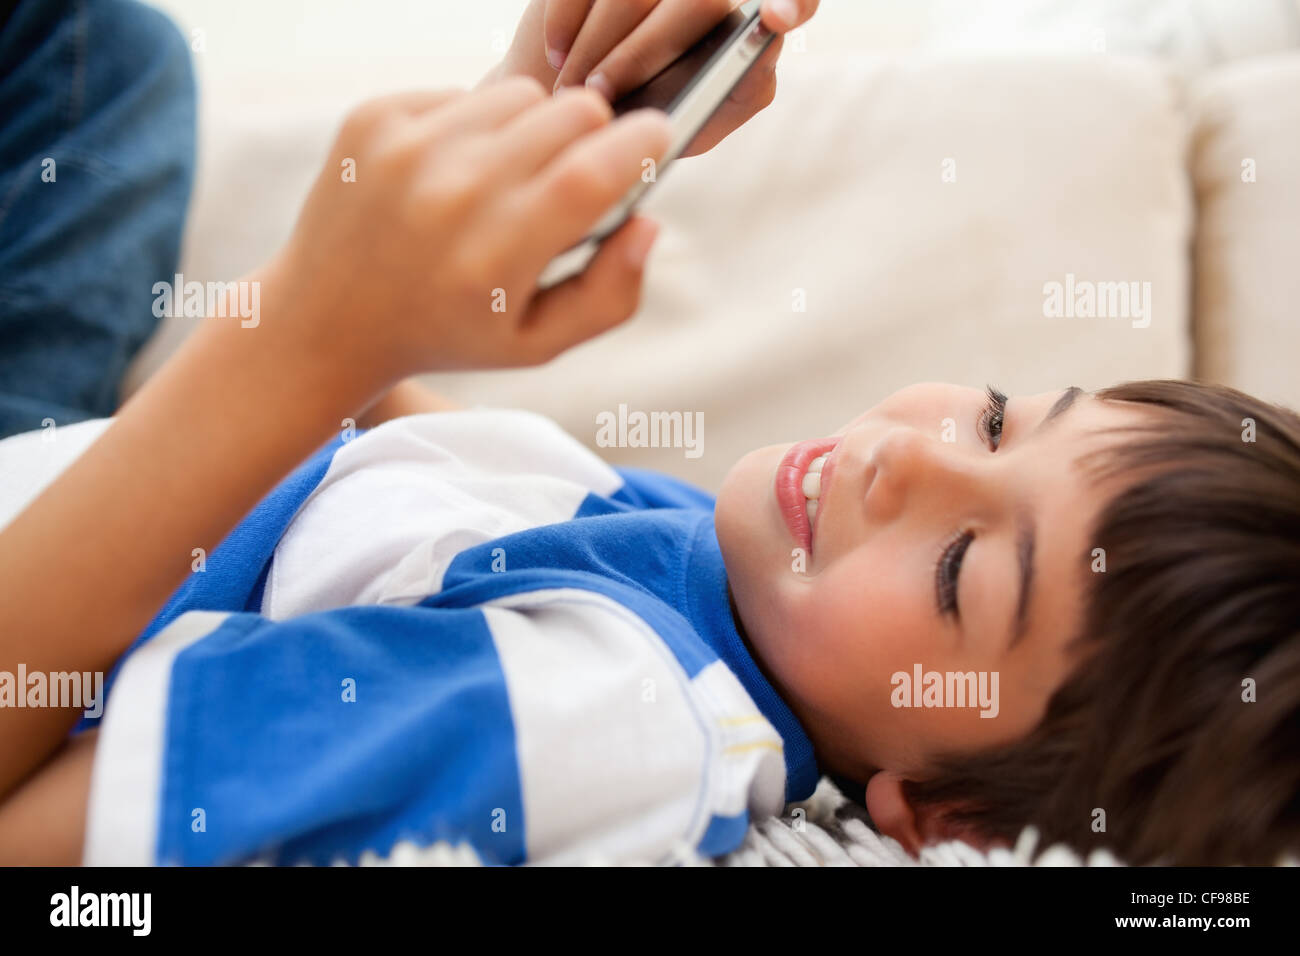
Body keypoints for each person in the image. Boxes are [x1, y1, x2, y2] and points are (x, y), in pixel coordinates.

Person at [3, 0, 1299, 867]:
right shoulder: (715, 589)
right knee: (96, 57)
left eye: (964, 571)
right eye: (1005, 420)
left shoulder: (597, 719)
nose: (917, 454)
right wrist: (549, 123)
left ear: (942, 821)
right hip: (69, 465)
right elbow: (392, 426)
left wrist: (306, 336)